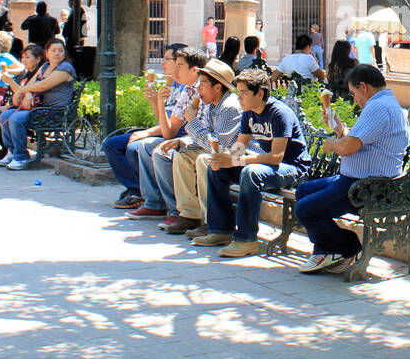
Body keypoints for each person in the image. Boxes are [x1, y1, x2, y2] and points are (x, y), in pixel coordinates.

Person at [294, 64, 410, 275]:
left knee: (304, 209)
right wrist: (339, 129)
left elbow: (348, 148)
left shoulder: (378, 107)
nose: (354, 98)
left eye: (354, 93)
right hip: (357, 180)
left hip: (366, 186)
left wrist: (331, 144)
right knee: (303, 192)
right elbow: (358, 141)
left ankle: (347, 247)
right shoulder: (385, 104)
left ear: (364, 87)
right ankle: (326, 251)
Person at [198, 67, 313, 256]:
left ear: (260, 93)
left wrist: (241, 161)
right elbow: (240, 146)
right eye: (238, 92)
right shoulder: (249, 112)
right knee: (216, 169)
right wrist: (226, 159)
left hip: (293, 169)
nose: (239, 98)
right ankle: (220, 230)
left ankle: (246, 239)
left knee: (250, 172)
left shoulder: (279, 113)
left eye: (243, 93)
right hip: (272, 167)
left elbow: (277, 156)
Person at [108, 45, 206, 212]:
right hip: (180, 136)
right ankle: (154, 203)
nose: (164, 63)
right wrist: (157, 101)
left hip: (198, 141)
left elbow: (195, 131)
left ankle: (177, 210)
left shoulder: (201, 89)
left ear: (194, 69)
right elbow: (168, 130)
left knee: (145, 148)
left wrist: (148, 132)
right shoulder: (185, 90)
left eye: (177, 63)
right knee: (139, 145)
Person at [151, 59, 242, 235]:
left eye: (203, 85)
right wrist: (182, 142)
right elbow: (205, 136)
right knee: (182, 155)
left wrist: (191, 121)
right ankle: (189, 215)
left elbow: (218, 146)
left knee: (203, 160)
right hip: (217, 151)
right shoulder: (210, 104)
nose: (199, 89)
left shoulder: (229, 107)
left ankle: (211, 220)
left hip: (234, 156)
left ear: (217, 88)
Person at [0, 38, 77, 170]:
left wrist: (23, 91)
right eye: (53, 50)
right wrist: (28, 93)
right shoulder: (45, 66)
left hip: (54, 112)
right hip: (39, 110)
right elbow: (31, 84)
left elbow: (44, 85)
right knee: (4, 116)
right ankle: (12, 151)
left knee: (16, 118)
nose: (57, 53)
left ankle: (21, 157)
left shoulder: (65, 69)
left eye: (60, 50)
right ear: (47, 53)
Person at [0, 44, 42, 162]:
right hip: (18, 104)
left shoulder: (38, 74)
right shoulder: (28, 73)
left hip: (27, 107)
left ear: (38, 59)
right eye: (23, 57)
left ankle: (8, 151)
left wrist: (9, 80)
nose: (24, 60)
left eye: (27, 57)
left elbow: (22, 92)